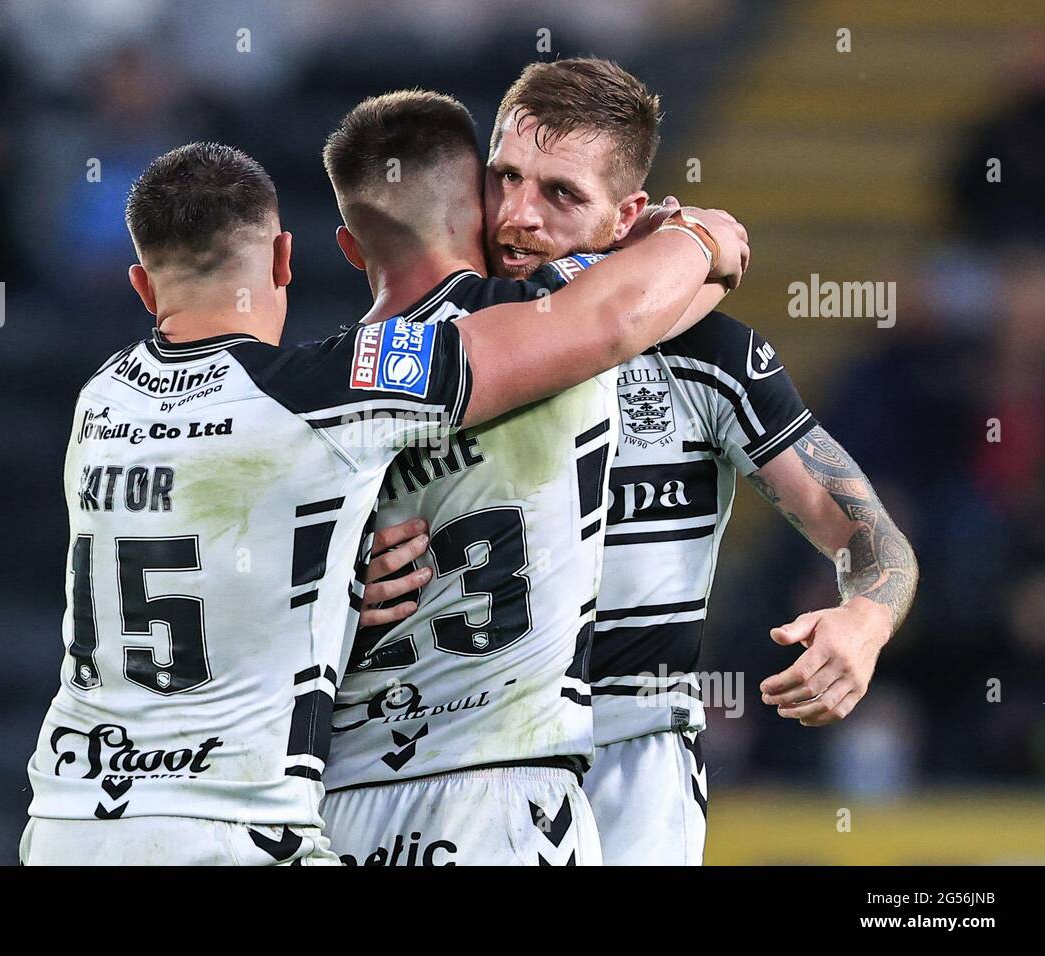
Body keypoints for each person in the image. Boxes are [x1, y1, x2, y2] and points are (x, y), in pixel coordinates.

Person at [20, 140, 749, 864]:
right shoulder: (326, 390)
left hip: (65, 819)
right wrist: (697, 239)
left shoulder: (101, 403)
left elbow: (213, 537)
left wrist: (335, 575)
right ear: (283, 259)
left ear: (143, 289)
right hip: (230, 830)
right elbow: (590, 329)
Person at [369, 57, 917, 865]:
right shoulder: (435, 340)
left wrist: (866, 618)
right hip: (448, 753)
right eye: (505, 177)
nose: (517, 215)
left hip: (633, 756)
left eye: (561, 193)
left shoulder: (710, 360)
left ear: (626, 215)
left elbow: (865, 532)